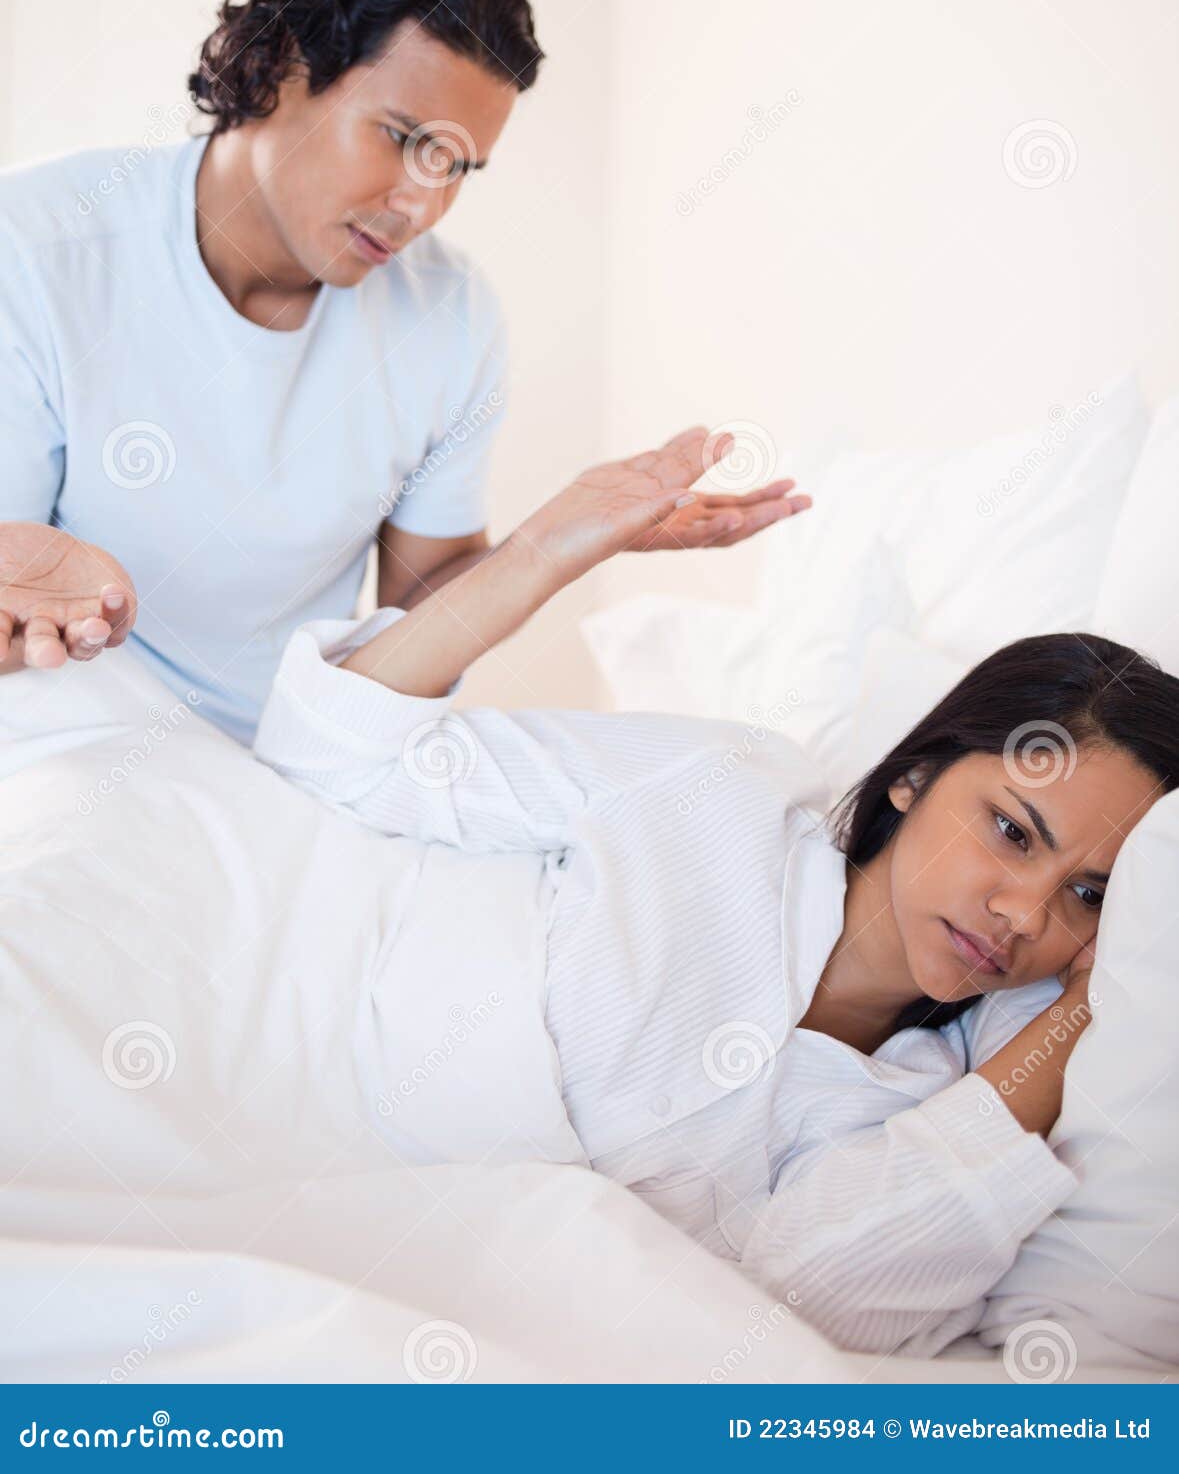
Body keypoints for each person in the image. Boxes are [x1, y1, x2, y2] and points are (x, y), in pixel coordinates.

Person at [251, 425, 1179, 1355]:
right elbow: (335, 747)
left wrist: (1079, 1013)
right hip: (311, 1147)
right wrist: (547, 549)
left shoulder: (938, 1100)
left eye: (1089, 896)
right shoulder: (721, 789)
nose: (1025, 914)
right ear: (915, 775)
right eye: (1011, 831)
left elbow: (796, 1317)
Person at [0, 0, 802, 737]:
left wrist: (564, 541)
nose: (424, 204)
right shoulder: (36, 251)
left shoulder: (447, 315)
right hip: (64, 754)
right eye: (401, 137)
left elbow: (417, 618)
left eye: (458, 167)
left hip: (301, 761)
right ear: (276, 65)